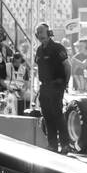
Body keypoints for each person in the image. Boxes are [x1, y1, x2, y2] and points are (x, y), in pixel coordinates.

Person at [34, 22, 71, 153]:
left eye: (42, 32)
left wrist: (65, 84)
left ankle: (66, 145)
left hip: (57, 85)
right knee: (47, 115)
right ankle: (52, 145)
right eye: (38, 32)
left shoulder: (58, 48)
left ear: (49, 33)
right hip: (44, 87)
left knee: (57, 114)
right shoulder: (39, 50)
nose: (40, 35)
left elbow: (67, 66)